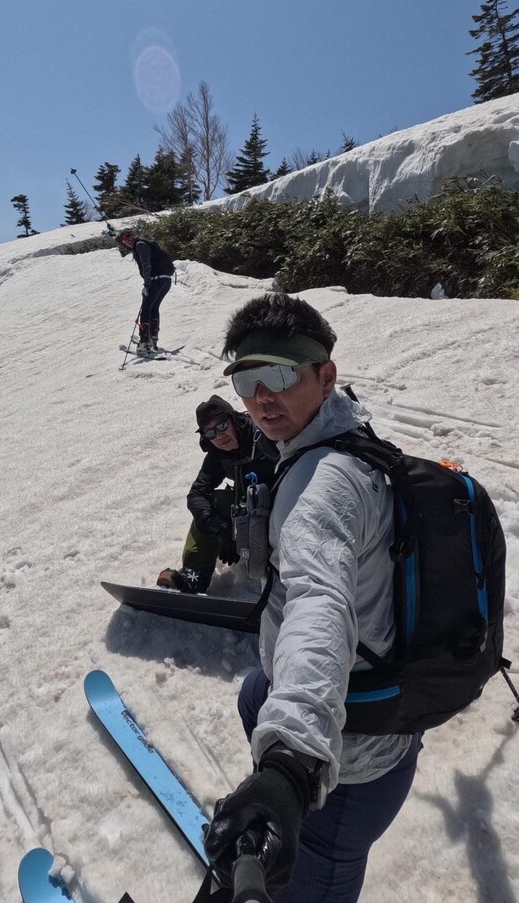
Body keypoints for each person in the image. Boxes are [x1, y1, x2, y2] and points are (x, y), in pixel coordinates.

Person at [202, 293, 421, 903]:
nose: (261, 399)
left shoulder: (320, 486)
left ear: (327, 376)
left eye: (279, 374)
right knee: (254, 691)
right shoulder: (351, 439)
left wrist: (290, 766)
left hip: (347, 767)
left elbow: (318, 605)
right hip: (379, 714)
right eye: (247, 380)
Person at [157, 395, 277, 594]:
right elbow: (197, 495)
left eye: (222, 425)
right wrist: (221, 529)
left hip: (287, 509)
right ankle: (194, 575)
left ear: (234, 419)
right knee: (214, 502)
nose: (219, 435)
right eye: (210, 432)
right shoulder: (218, 455)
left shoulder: (266, 435)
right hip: (255, 518)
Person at [118, 227, 173, 355]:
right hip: (165, 280)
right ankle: (152, 339)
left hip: (156, 280)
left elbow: (146, 264)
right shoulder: (144, 243)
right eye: (124, 240)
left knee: (146, 309)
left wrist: (147, 284)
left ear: (133, 236)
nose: (126, 241)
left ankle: (144, 342)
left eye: (128, 237)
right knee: (153, 308)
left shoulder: (140, 245)